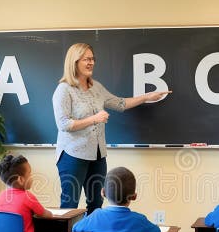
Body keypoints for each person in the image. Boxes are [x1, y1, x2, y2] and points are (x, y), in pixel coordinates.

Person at [52, 42, 170, 214]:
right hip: (72, 155)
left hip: (98, 155)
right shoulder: (64, 90)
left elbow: (120, 103)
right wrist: (94, 119)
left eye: (92, 59)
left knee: (97, 203)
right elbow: (63, 124)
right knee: (70, 204)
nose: (91, 62)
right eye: (86, 59)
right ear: (74, 62)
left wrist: (147, 97)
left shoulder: (96, 87)